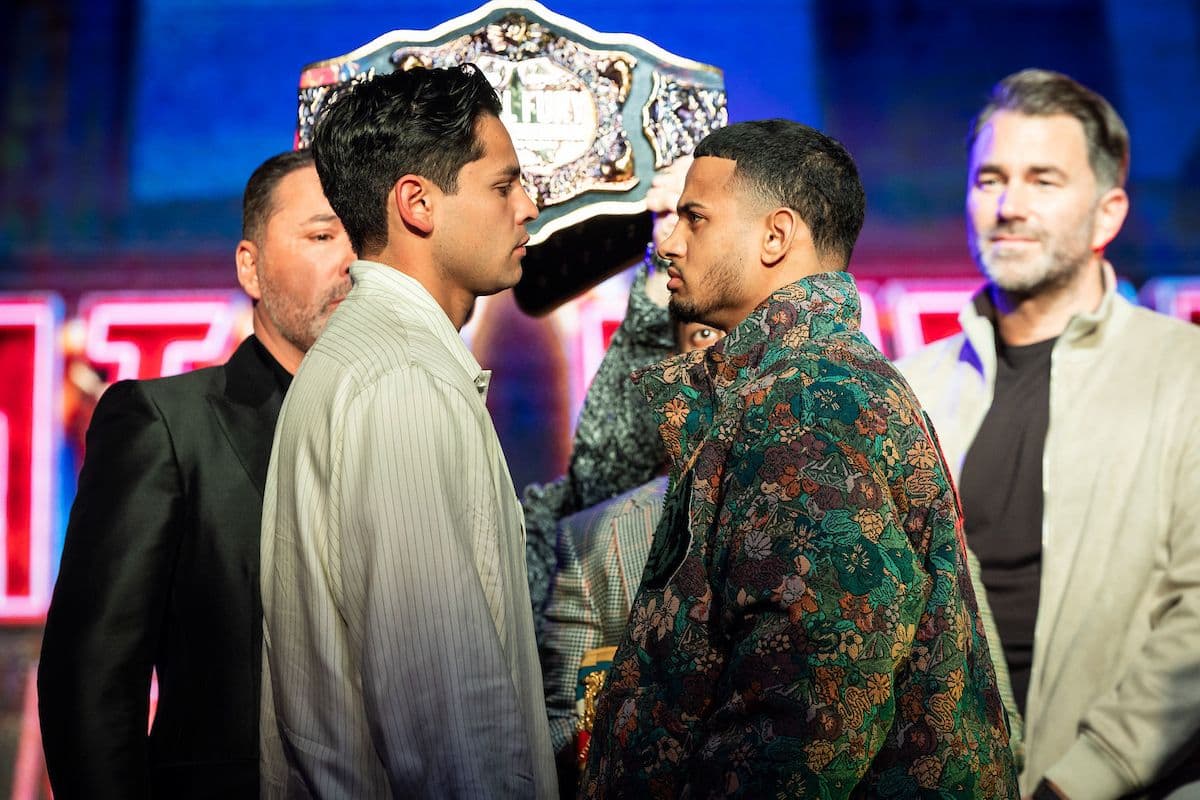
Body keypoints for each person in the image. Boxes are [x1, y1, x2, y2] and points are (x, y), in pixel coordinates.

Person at [580, 120, 1018, 798]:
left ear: (775, 235)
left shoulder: (808, 401)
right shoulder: (803, 383)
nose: (669, 241)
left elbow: (810, 701)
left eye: (694, 218)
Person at [899, 68, 1200, 799]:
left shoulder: (1184, 372)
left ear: (1108, 214)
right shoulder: (906, 389)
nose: (1007, 206)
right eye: (990, 179)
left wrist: (1084, 780)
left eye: (1043, 181)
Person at [259, 65, 557, 798]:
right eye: (503, 185)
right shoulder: (401, 380)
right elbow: (447, 722)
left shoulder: (380, 359)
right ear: (417, 203)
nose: (528, 207)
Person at [37, 149, 354, 799]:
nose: (351, 262)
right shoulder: (162, 423)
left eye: (363, 239)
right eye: (322, 235)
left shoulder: (407, 433)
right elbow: (91, 683)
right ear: (251, 267)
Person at [539, 302, 723, 793]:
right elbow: (563, 727)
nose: (729, 354)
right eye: (705, 334)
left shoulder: (841, 515)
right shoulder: (595, 544)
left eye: (747, 330)